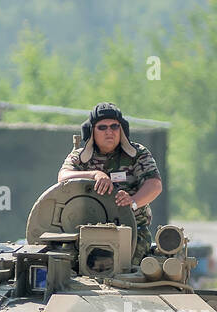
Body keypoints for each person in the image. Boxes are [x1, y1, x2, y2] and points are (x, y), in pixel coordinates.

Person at [58, 102, 163, 261]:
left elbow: (154, 185)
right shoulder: (81, 157)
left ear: (121, 129)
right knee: (62, 265)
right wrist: (95, 175)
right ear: (92, 130)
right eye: (102, 127)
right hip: (84, 233)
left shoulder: (137, 154)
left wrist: (132, 202)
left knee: (126, 269)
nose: (109, 132)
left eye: (114, 126)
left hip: (131, 232)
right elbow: (63, 177)